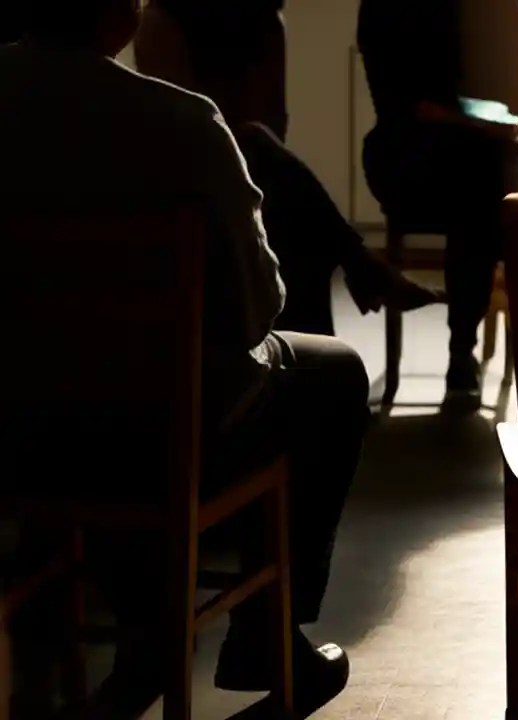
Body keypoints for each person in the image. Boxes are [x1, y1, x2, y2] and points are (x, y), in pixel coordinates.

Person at [0, 1, 363, 715]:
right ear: (121, 18)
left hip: (16, 433)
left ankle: (135, 637)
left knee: (85, 388)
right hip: (151, 436)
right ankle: (263, 631)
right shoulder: (185, 124)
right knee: (331, 375)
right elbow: (260, 307)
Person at [134, 0, 439, 338]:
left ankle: (339, 296)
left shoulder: (265, 23)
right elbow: (183, 134)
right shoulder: (159, 21)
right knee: (259, 150)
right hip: (184, 181)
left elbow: (275, 123)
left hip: (244, 174)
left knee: (292, 212)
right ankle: (357, 263)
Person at [358, 0, 518, 411]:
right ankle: (464, 346)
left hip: (477, 153)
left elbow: (516, 98)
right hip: (410, 152)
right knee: (484, 177)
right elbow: (402, 103)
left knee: (487, 172)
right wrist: (470, 120)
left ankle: (463, 346)